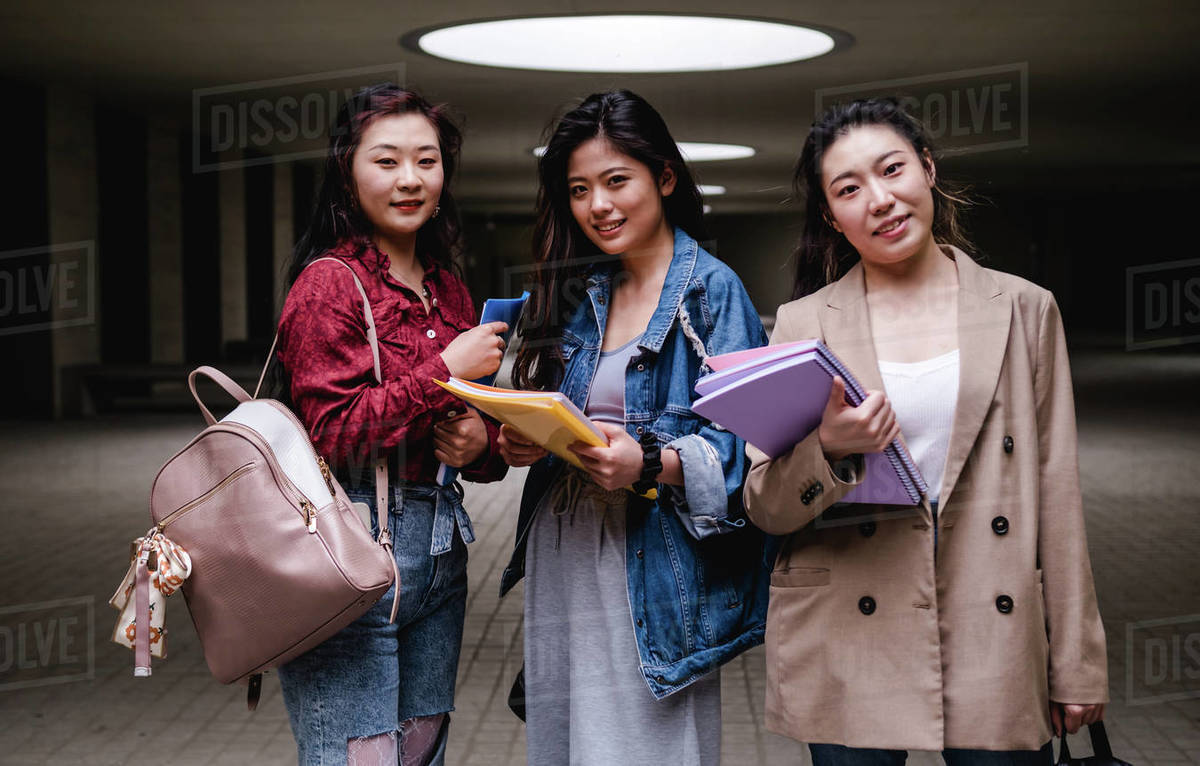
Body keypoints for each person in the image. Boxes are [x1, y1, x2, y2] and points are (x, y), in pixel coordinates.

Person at [743, 97, 1108, 764]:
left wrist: (1077, 659)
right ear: (832, 215)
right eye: (849, 189)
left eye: (892, 170)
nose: (878, 200)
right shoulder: (803, 325)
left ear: (928, 170)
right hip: (847, 629)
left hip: (991, 622)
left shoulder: (1025, 309)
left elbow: (1056, 491)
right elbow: (765, 506)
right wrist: (832, 448)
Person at [497, 89, 772, 766]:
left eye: (617, 180)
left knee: (645, 748)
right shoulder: (581, 292)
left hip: (653, 561)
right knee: (568, 746)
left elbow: (746, 458)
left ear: (665, 178)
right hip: (565, 548)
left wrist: (651, 462)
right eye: (580, 188)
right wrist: (525, 438)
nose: (599, 205)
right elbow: (565, 416)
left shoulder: (714, 292)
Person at [272, 83, 509, 766]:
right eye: (387, 161)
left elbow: (475, 427)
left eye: (427, 161)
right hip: (347, 549)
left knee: (422, 752)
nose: (411, 179)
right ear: (347, 170)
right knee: (358, 758)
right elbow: (332, 434)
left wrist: (479, 445)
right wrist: (441, 370)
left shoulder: (447, 285)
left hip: (440, 547)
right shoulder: (330, 283)